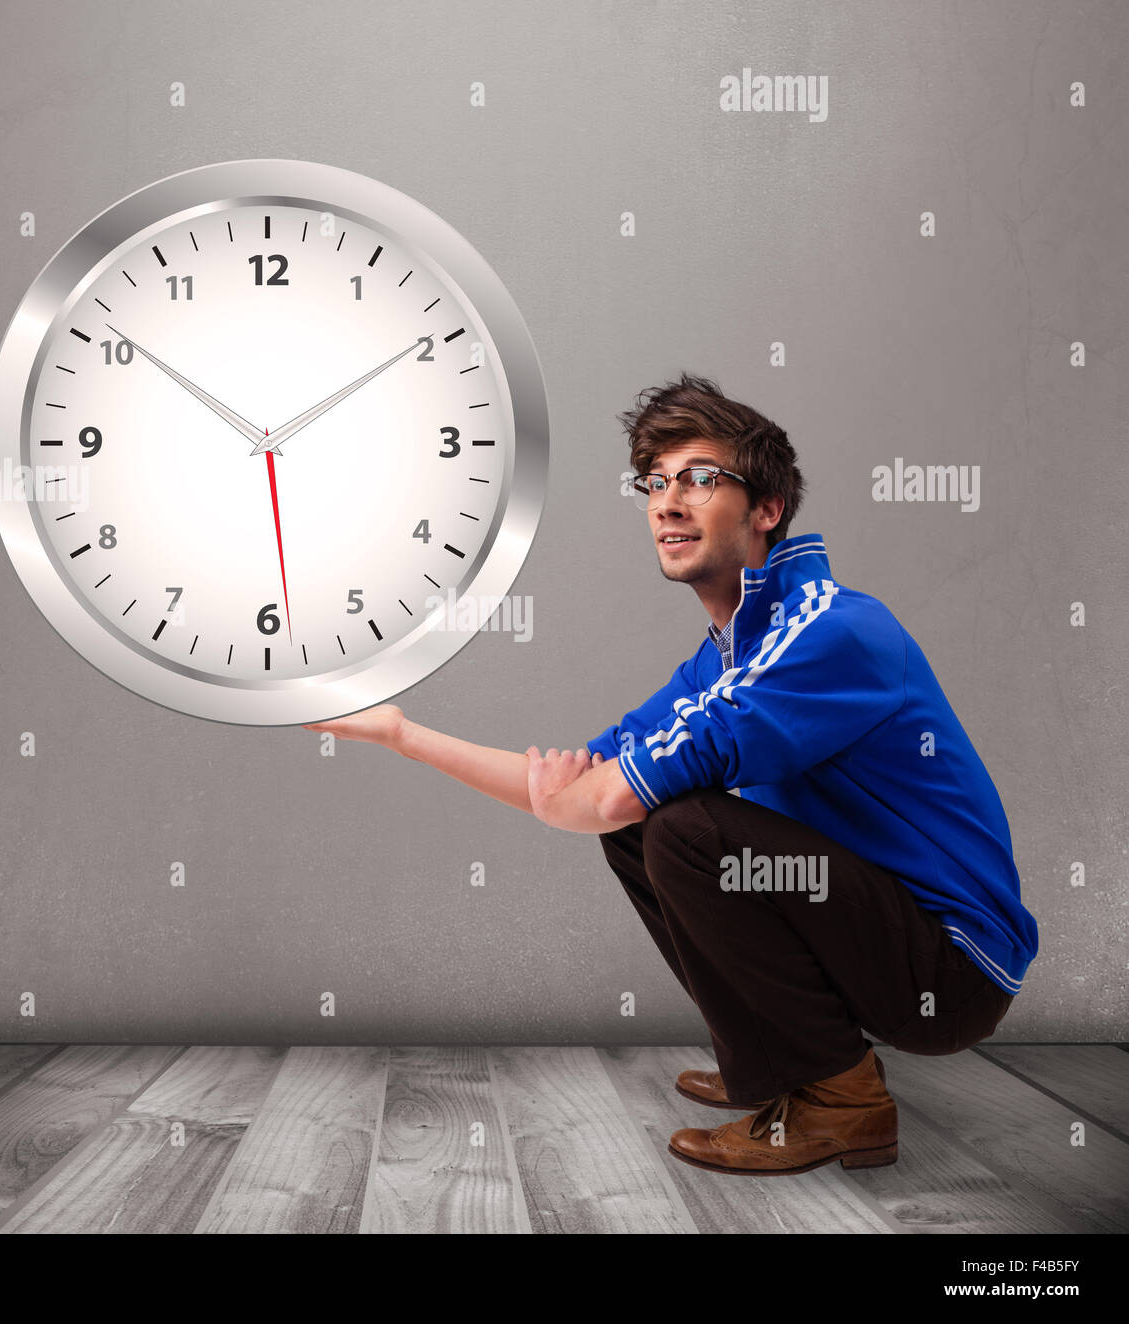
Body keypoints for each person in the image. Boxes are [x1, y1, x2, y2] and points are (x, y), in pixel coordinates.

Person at [303, 372, 1038, 1178]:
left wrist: (588, 799)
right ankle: (777, 1061)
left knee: (684, 829)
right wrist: (402, 734)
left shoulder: (833, 631)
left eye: (699, 480)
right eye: (653, 483)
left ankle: (843, 1101)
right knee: (642, 829)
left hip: (951, 966)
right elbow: (583, 780)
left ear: (767, 509)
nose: (665, 502)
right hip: (878, 938)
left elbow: (605, 792)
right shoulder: (721, 661)